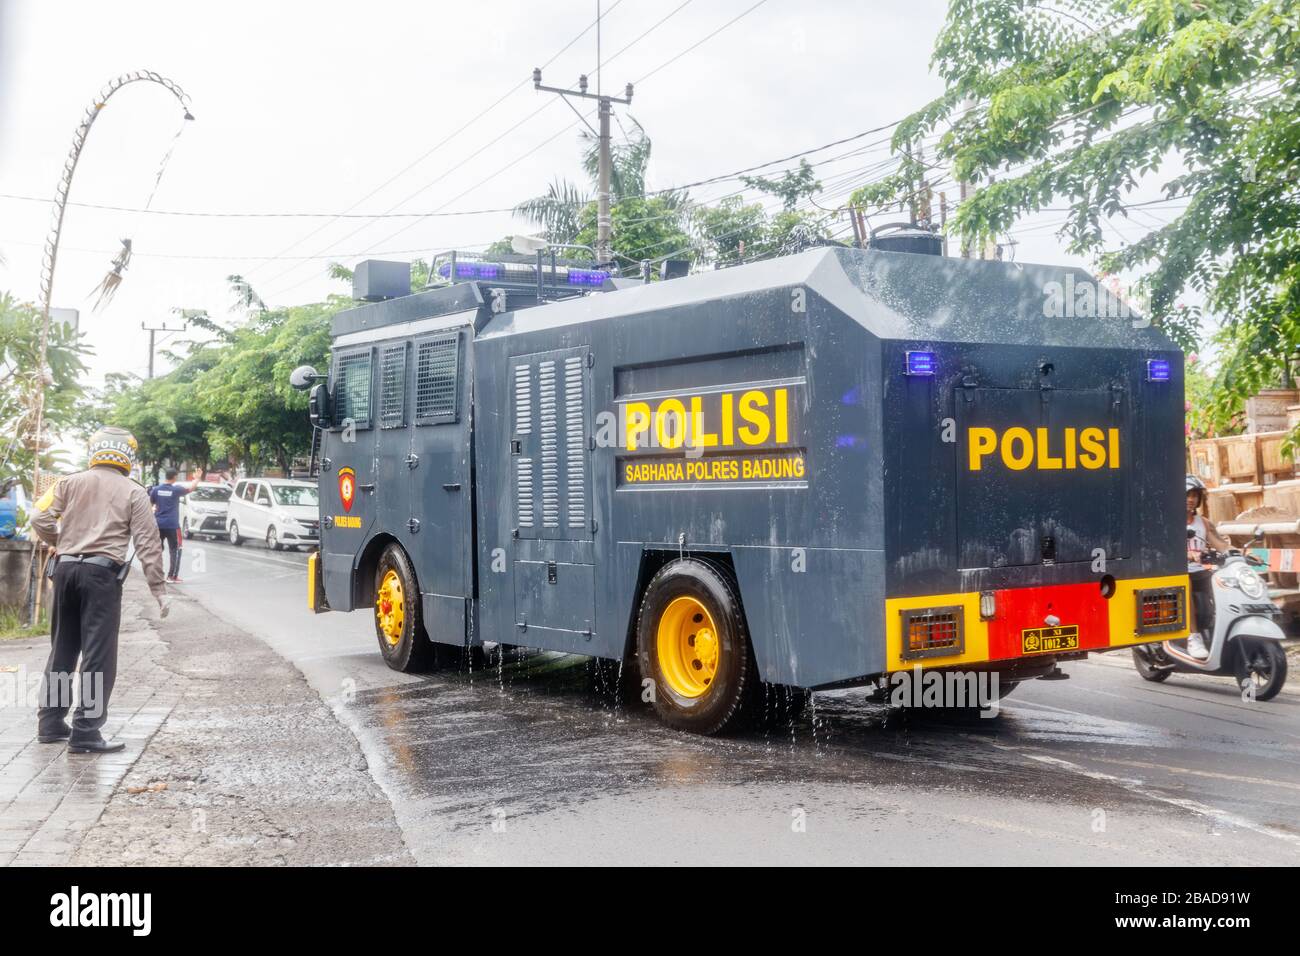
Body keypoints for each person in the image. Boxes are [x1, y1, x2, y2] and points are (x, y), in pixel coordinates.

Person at [30, 426, 168, 754]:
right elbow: (148, 543)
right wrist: (159, 589)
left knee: (62, 648)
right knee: (98, 655)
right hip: (100, 576)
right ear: (128, 457)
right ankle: (86, 732)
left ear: (94, 452)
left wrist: (61, 544)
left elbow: (39, 516)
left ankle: (50, 723)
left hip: (63, 572)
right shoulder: (134, 492)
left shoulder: (68, 482)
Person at [1185, 474, 1228, 660]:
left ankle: (1221, 633)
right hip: (1179, 573)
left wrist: (1242, 554)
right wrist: (1187, 554)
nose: (1191, 499)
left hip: (1201, 571)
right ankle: (1193, 636)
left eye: (1194, 495)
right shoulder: (1169, 522)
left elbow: (1222, 545)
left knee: (1224, 583)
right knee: (1185, 584)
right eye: (1187, 495)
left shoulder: (1204, 523)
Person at [148, 467, 199, 582]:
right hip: (172, 525)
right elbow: (191, 488)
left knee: (156, 550)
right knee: (175, 550)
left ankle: (155, 575)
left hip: (158, 524)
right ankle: (172, 576)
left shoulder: (156, 490)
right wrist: (197, 478)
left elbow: (149, 504)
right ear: (175, 477)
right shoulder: (176, 490)